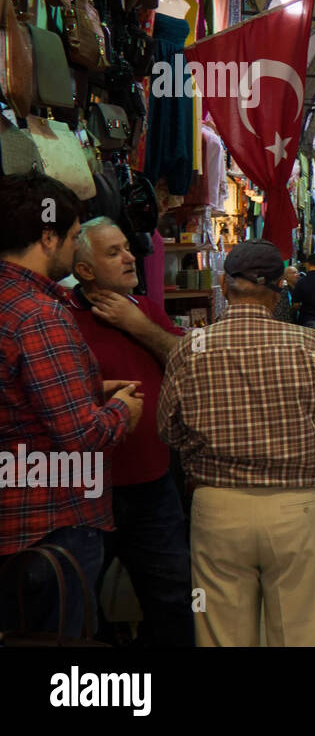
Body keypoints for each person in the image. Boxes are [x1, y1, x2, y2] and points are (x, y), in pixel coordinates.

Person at [157, 239, 315, 646]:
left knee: (222, 633)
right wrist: (305, 451)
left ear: (223, 283)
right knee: (302, 630)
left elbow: (168, 428)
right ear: (279, 290)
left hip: (218, 507)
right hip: (296, 506)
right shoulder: (312, 347)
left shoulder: (191, 349)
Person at [0, 174, 144, 638]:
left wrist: (88, 387)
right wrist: (122, 409)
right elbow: (83, 437)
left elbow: (18, 396)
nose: (77, 244)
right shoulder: (40, 315)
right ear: (48, 236)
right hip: (52, 522)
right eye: (75, 233)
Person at [65, 216, 192, 646]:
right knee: (81, 601)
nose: (130, 257)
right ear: (84, 270)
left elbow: (184, 360)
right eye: (113, 252)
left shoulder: (145, 309)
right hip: (85, 489)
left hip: (154, 482)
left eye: (127, 247)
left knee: (171, 594)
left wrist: (137, 326)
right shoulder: (60, 317)